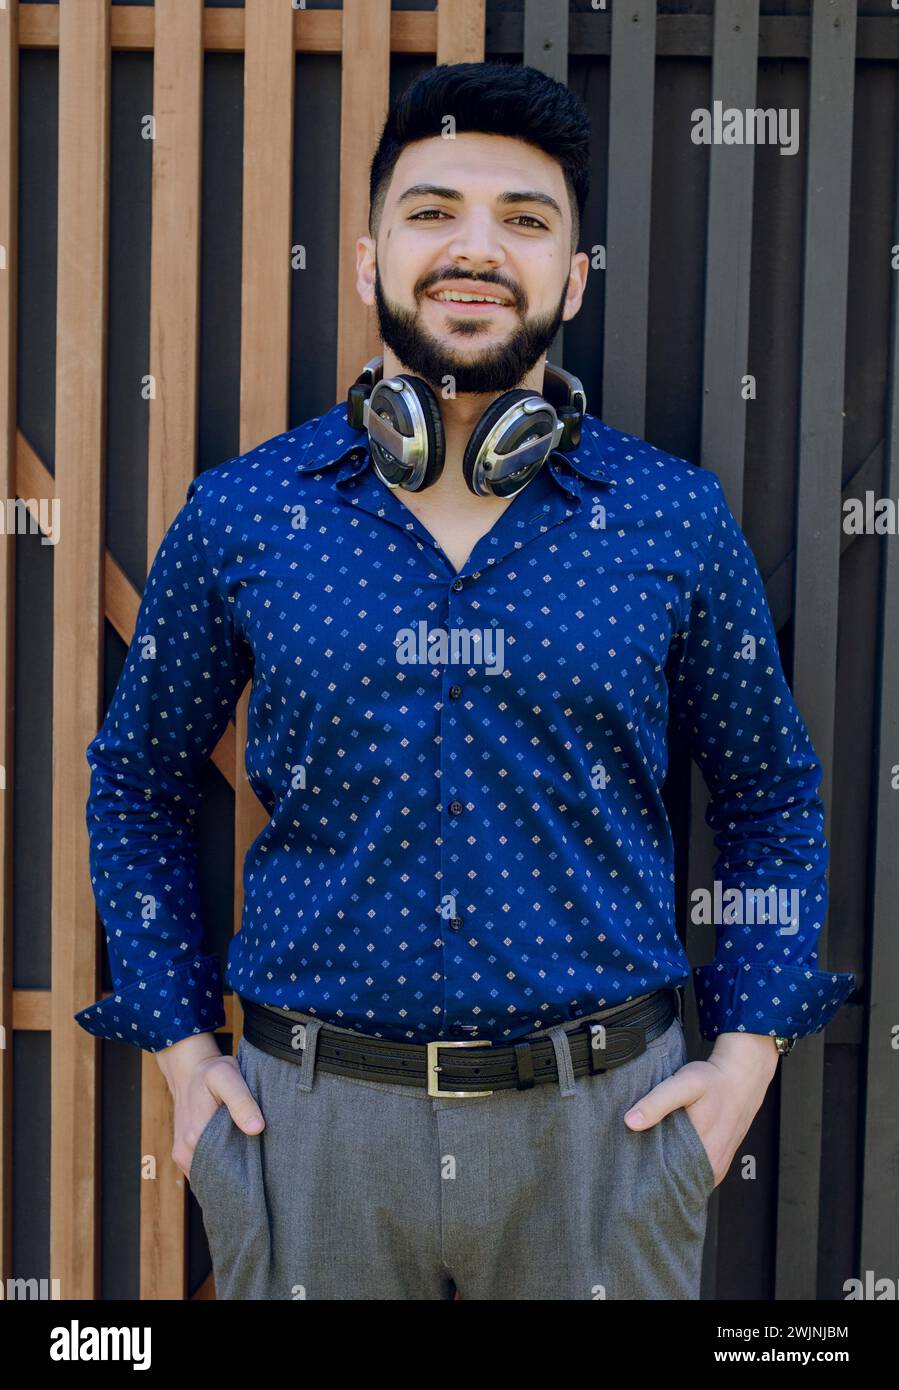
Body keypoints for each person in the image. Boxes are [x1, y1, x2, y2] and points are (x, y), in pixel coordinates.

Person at [74, 61, 855, 1301]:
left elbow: (770, 799)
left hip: (610, 1134)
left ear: (573, 277)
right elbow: (134, 784)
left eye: (524, 220)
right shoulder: (242, 514)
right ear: (367, 254)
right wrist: (179, 1046)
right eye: (431, 211)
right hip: (311, 1134)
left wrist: (747, 1054)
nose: (473, 249)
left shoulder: (670, 518)